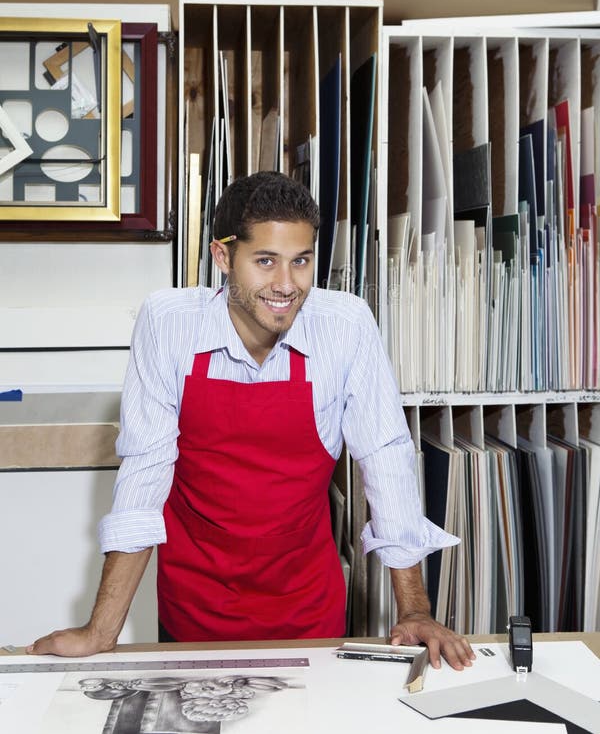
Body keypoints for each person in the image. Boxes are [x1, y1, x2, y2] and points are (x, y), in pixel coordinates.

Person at [28, 171, 475, 671]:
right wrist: (100, 633)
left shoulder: (345, 326)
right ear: (223, 257)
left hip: (308, 611)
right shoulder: (168, 323)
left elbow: (387, 460)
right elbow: (144, 476)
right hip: (194, 612)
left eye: (301, 261)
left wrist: (415, 610)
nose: (286, 285)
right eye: (266, 261)